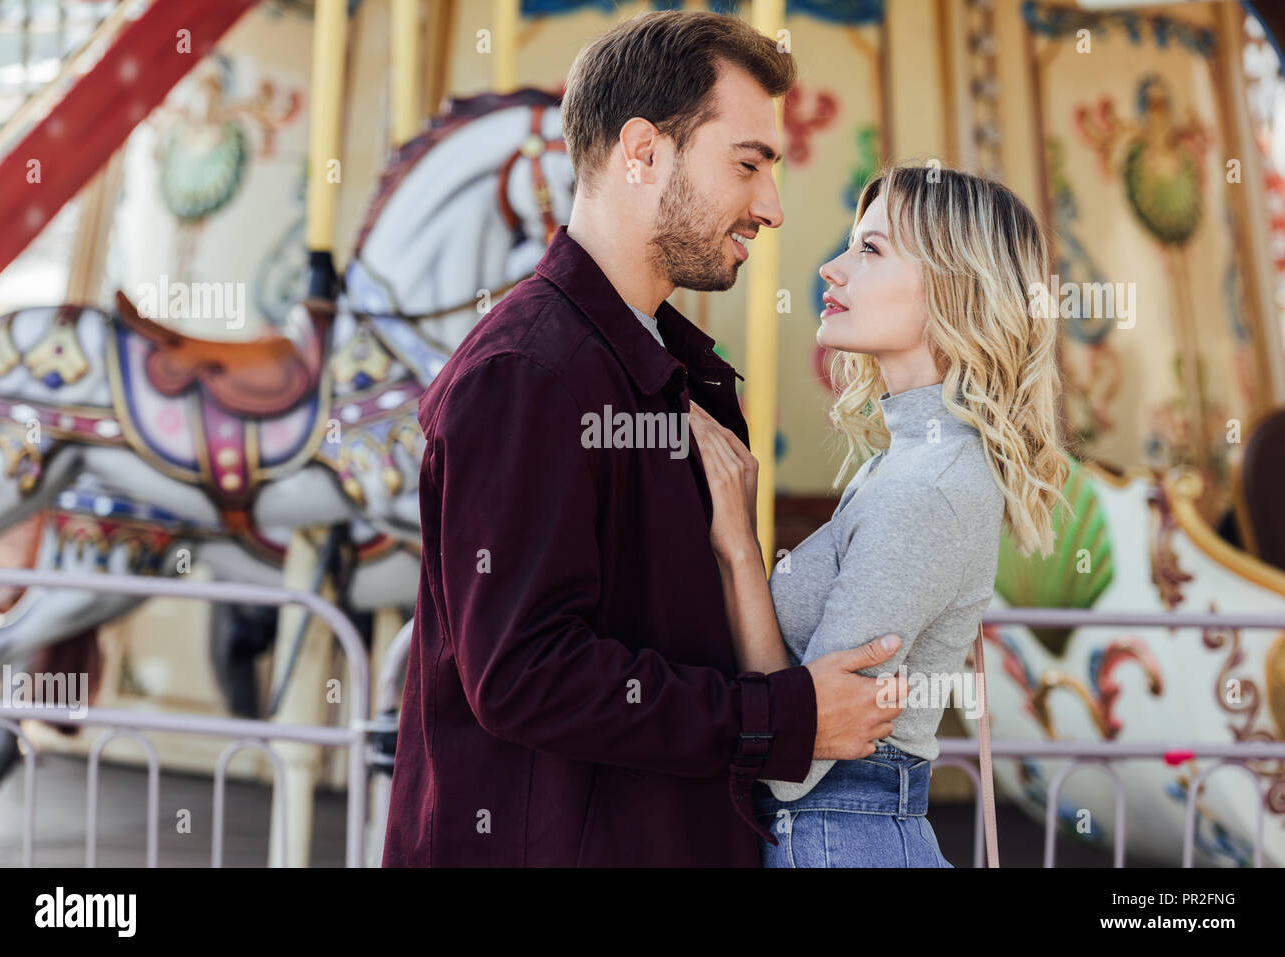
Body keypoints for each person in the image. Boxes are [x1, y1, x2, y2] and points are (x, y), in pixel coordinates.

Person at [381, 10, 911, 867]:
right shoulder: (525, 372)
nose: (771, 207)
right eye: (748, 165)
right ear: (643, 151)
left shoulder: (664, 365)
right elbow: (524, 674)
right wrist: (784, 719)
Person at [687, 165, 1071, 867]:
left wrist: (740, 549)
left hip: (837, 839)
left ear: (955, 285)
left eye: (870, 249)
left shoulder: (928, 485)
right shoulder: (905, 461)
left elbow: (793, 758)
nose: (832, 269)